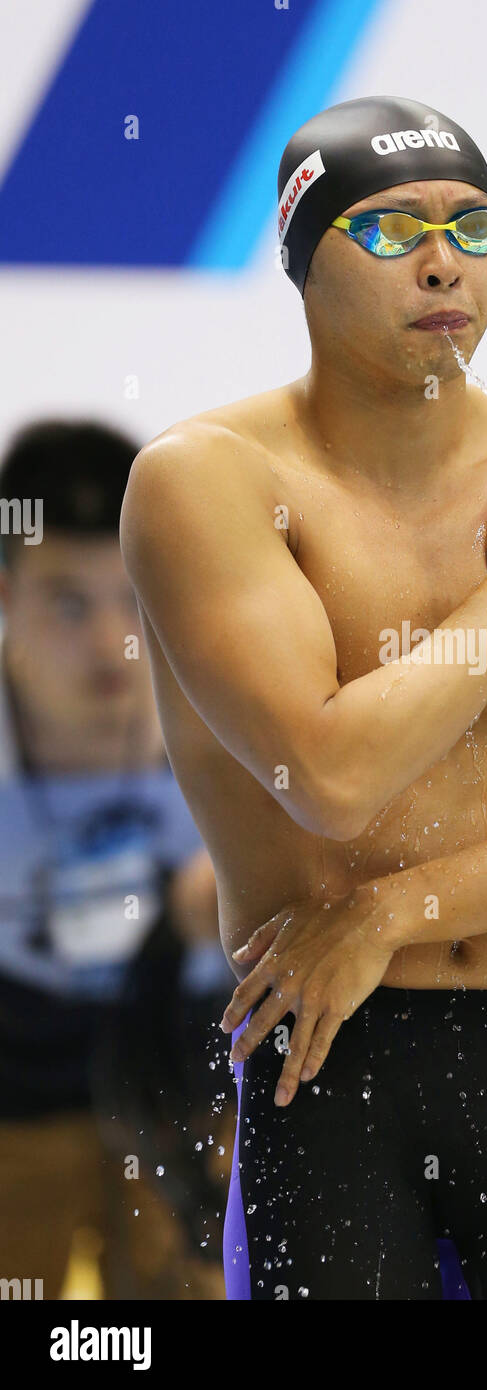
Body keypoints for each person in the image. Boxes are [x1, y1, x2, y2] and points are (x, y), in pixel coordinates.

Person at [120, 95, 487, 1300]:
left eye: (472, 225)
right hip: (323, 1067)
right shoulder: (209, 484)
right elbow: (331, 776)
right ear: (302, 257)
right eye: (391, 230)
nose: (444, 259)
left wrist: (392, 912)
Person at [0, 420, 232, 1299]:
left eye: (130, 599)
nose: (110, 646)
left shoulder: (233, 710)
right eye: (67, 602)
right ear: (4, 594)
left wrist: (246, 888)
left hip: (187, 1064)